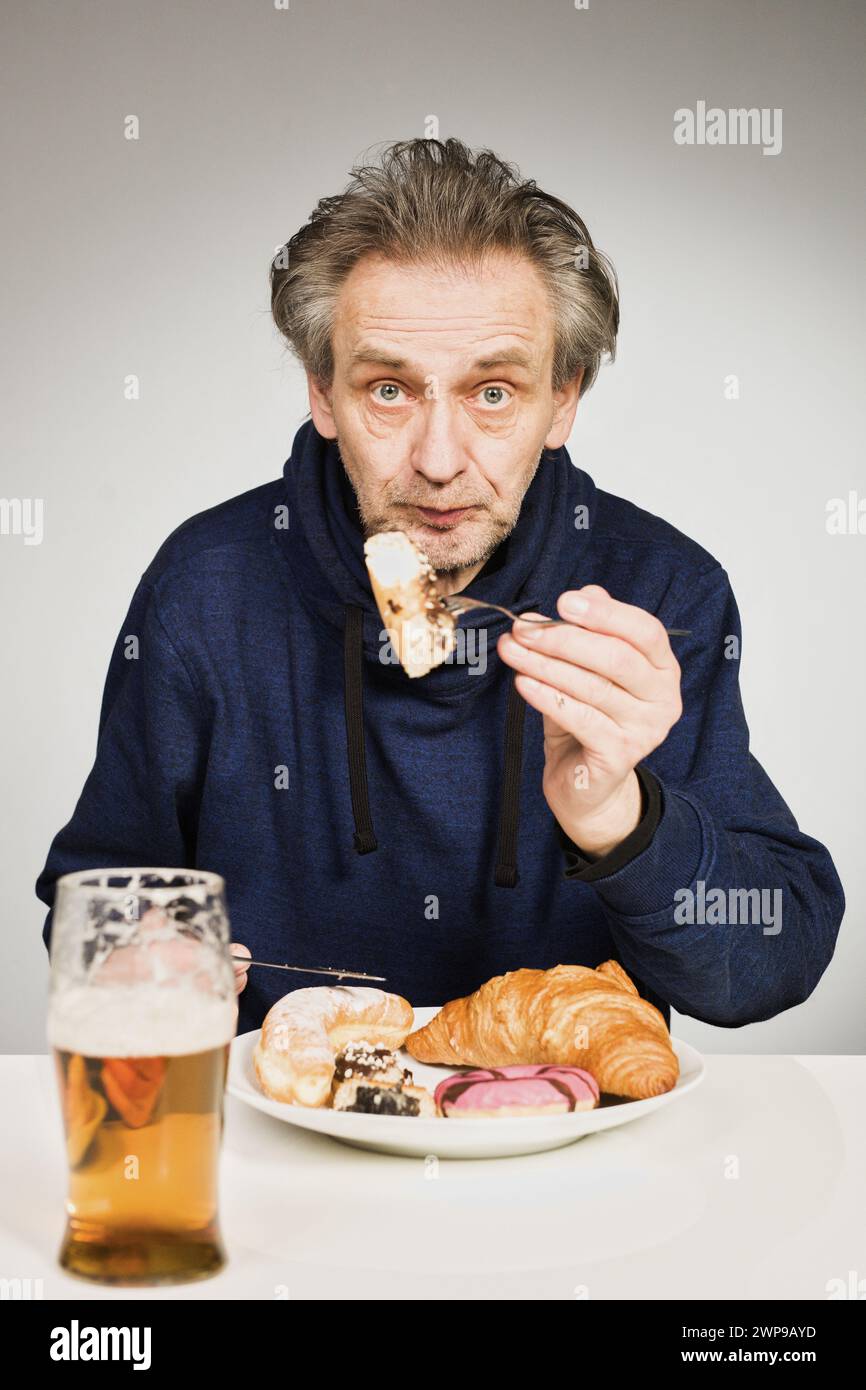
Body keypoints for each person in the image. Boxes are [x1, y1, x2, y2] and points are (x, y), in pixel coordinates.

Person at [36, 138, 844, 1035]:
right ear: (321, 392)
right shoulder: (206, 585)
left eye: (492, 393)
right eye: (389, 390)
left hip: (566, 1138)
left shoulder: (656, 591)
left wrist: (622, 818)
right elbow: (94, 900)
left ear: (563, 399)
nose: (439, 460)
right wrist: (138, 960)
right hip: (285, 1136)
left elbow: (774, 960)